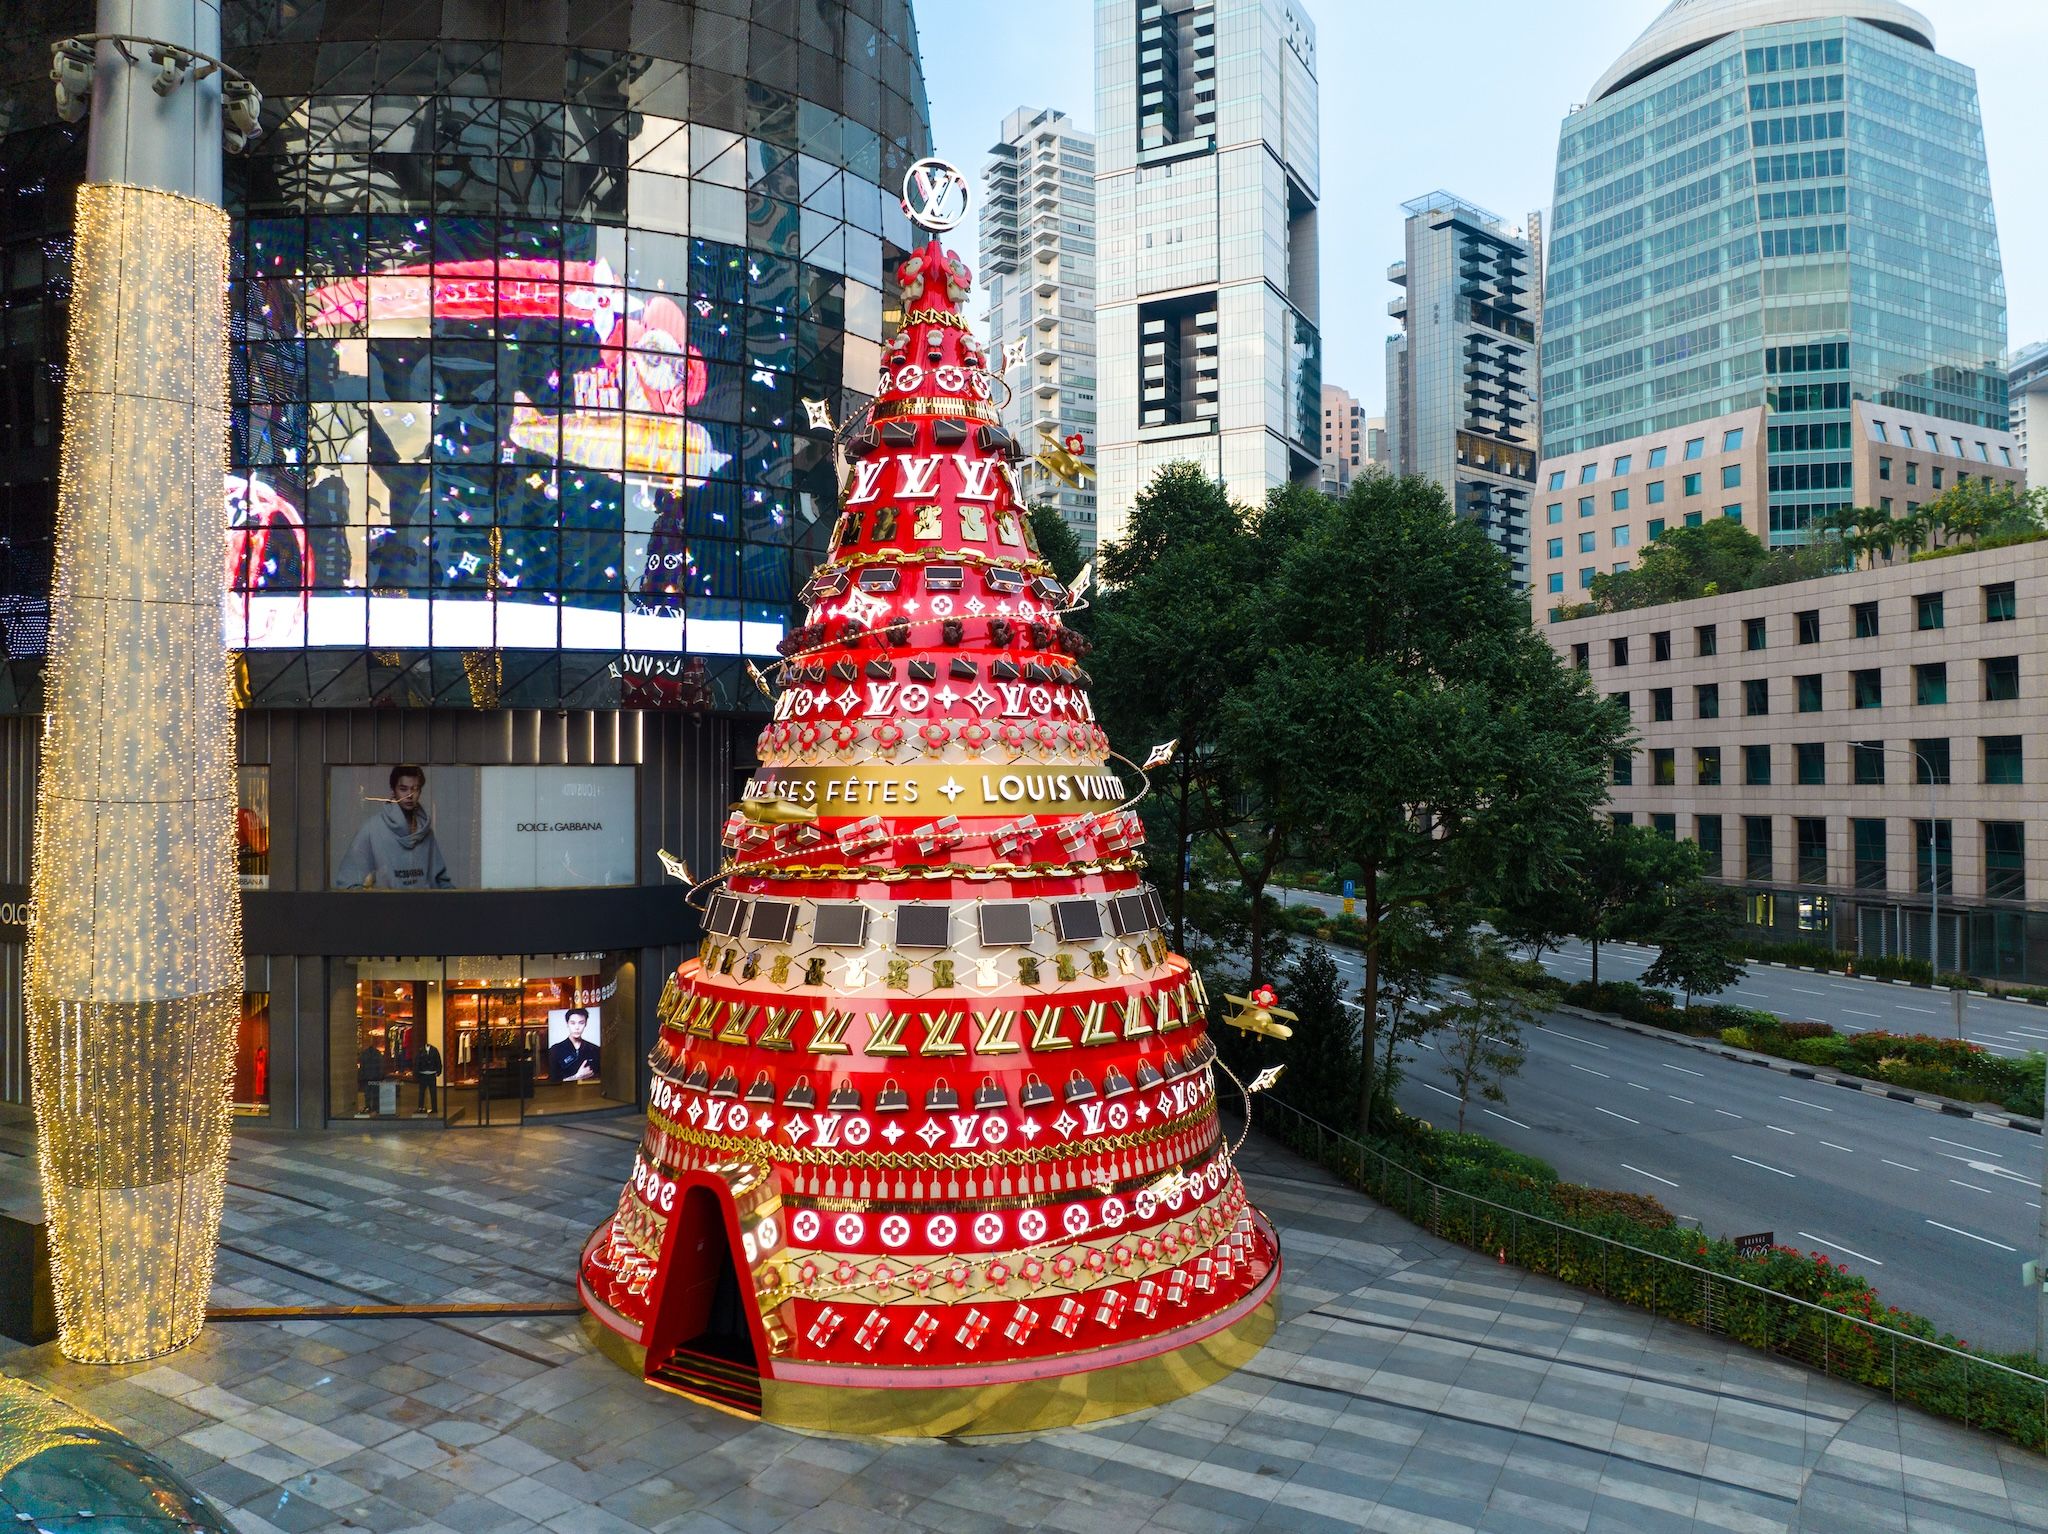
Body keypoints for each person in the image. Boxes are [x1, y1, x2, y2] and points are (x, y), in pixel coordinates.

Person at [336, 765, 453, 889]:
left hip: (424, 907)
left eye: (415, 789)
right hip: (386, 908)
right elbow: (348, 884)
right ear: (393, 791)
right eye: (403, 789)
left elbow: (442, 882)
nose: (409, 795)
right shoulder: (371, 829)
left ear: (420, 792)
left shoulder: (426, 832)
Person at [547, 1008, 601, 1083]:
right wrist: (577, 1076)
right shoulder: (555, 1050)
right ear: (567, 1024)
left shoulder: (595, 1049)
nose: (577, 1027)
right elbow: (552, 1081)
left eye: (581, 1023)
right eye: (573, 1023)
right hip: (563, 1093)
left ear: (586, 1024)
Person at [357, 1041, 385, 1116]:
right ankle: (375, 1108)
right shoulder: (378, 1054)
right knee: (375, 1093)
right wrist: (381, 1075)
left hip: (367, 1077)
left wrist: (361, 1076)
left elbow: (361, 1067)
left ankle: (368, 1106)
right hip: (375, 1077)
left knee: (367, 1093)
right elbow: (381, 1066)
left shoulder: (364, 1054)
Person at [414, 1038, 442, 1114]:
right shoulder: (420, 1050)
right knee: (422, 1092)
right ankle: (420, 1107)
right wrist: (416, 1073)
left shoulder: (434, 1050)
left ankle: (434, 1108)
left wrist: (438, 1071)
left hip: (431, 1073)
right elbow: (417, 1062)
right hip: (423, 1074)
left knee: (433, 1092)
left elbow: (438, 1061)